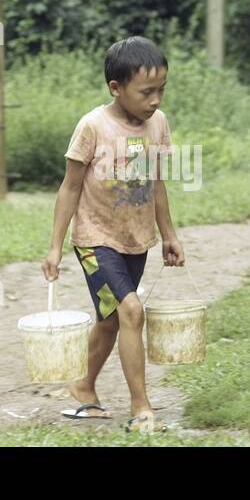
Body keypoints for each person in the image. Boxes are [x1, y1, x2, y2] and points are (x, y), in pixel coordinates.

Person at [41, 36, 185, 434]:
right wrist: (54, 247)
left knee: (109, 320)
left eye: (161, 90)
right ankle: (142, 408)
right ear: (116, 88)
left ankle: (83, 384)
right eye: (146, 92)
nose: (155, 100)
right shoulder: (93, 126)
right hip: (94, 239)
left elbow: (156, 184)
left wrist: (169, 235)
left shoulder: (158, 124)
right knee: (131, 311)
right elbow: (69, 187)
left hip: (135, 239)